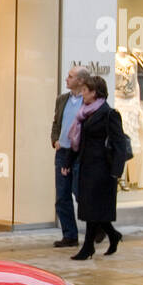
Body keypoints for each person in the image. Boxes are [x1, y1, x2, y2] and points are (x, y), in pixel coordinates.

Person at [62, 74, 125, 260]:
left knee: (92, 209)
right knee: (92, 208)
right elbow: (77, 142)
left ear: (94, 93)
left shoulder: (109, 114)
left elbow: (119, 144)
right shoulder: (85, 112)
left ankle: (88, 247)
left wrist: (116, 172)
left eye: (85, 91)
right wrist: (68, 161)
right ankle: (113, 235)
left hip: (103, 170)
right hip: (86, 166)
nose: (82, 94)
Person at [50, 65, 87, 247]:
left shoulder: (88, 101)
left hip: (79, 153)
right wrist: (55, 139)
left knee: (80, 193)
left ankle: (99, 227)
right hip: (62, 152)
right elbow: (56, 122)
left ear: (80, 80)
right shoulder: (62, 99)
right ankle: (70, 235)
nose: (67, 79)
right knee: (62, 195)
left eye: (71, 76)